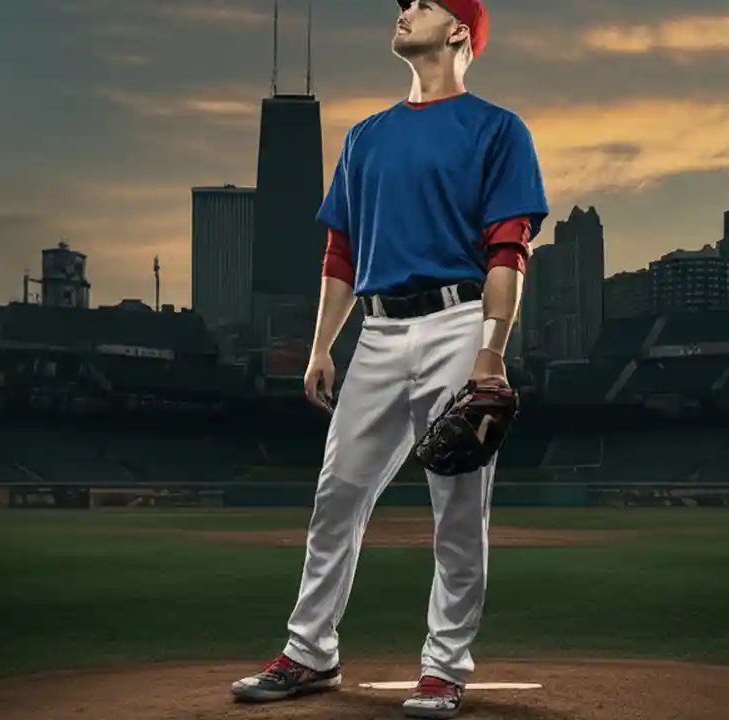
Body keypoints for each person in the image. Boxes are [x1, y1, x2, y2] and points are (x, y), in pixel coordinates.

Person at [230, 0, 547, 717]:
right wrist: (321, 346)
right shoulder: (365, 137)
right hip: (375, 334)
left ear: (460, 31)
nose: (405, 11)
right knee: (337, 495)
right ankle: (311, 653)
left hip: (458, 322)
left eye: (423, 4)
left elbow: (509, 249)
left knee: (458, 511)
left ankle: (443, 667)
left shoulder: (498, 129)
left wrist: (491, 352)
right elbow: (339, 253)